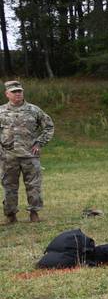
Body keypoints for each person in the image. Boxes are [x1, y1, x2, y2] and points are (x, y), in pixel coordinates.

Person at [1, 80, 54, 223]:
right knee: (9, 186)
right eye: (14, 92)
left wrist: (39, 142)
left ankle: (34, 213)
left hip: (30, 155)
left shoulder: (34, 110)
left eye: (20, 91)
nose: (18, 93)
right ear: (7, 94)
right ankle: (10, 215)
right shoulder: (1, 111)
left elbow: (49, 127)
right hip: (8, 156)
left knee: (34, 185)